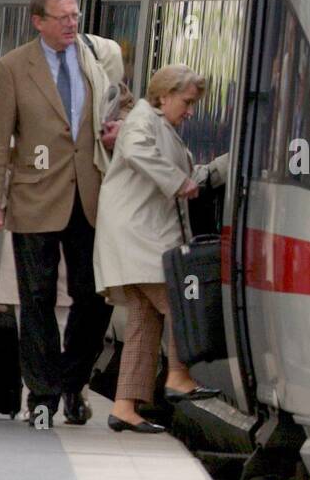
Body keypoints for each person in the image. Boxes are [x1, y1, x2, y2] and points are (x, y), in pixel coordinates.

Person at [0, 0, 114, 427]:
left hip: (88, 195)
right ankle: (43, 395)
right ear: (39, 21)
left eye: (75, 15)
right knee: (35, 297)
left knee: (94, 297)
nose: (73, 23)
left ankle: (72, 379)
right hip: (35, 196)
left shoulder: (93, 59)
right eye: (63, 17)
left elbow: (110, 112)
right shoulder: (15, 67)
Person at [93, 64, 227, 433]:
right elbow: (138, 153)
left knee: (143, 321)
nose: (191, 111)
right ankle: (178, 376)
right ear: (164, 95)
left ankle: (124, 405)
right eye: (187, 102)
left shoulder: (159, 126)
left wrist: (217, 169)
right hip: (140, 239)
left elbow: (182, 176)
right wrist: (176, 181)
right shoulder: (142, 120)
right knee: (182, 304)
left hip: (140, 239)